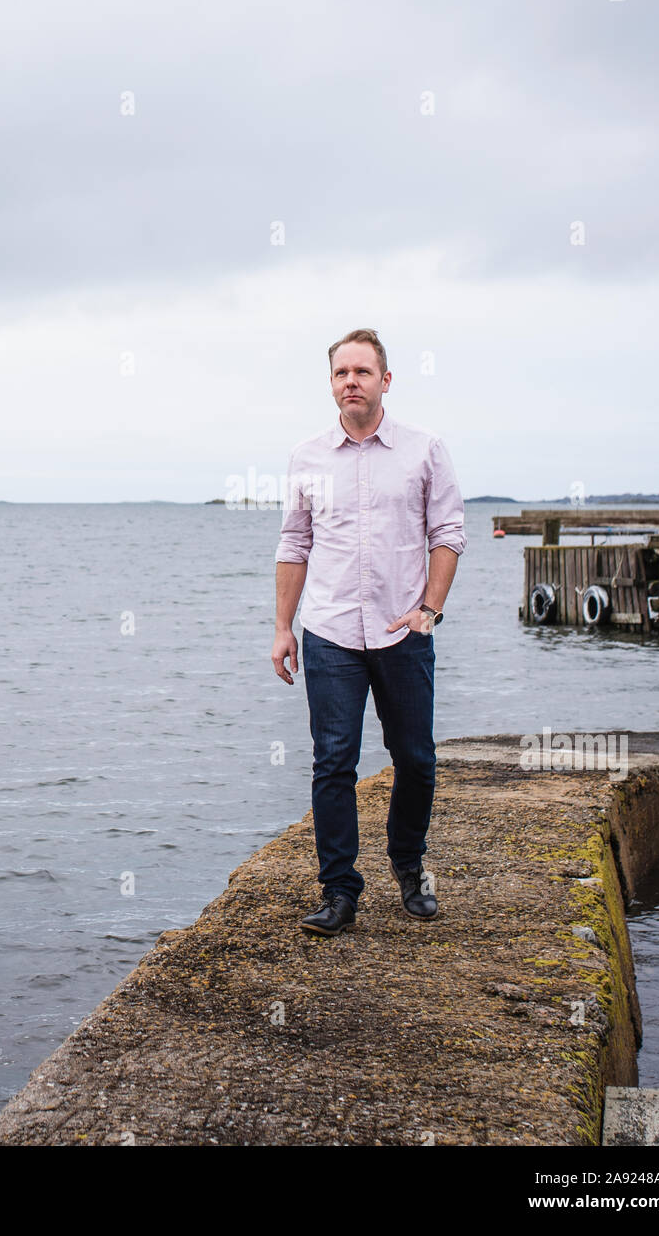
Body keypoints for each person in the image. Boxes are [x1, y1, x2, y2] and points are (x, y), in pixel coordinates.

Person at [271, 329, 466, 936]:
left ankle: (409, 868)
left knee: (416, 760)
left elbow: (449, 532)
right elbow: (294, 542)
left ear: (386, 380)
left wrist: (429, 609)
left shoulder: (424, 449)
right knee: (333, 762)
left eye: (362, 371)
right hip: (329, 631)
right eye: (340, 373)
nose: (350, 381)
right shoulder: (306, 457)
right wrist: (283, 628)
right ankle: (339, 892)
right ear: (331, 384)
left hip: (402, 630)